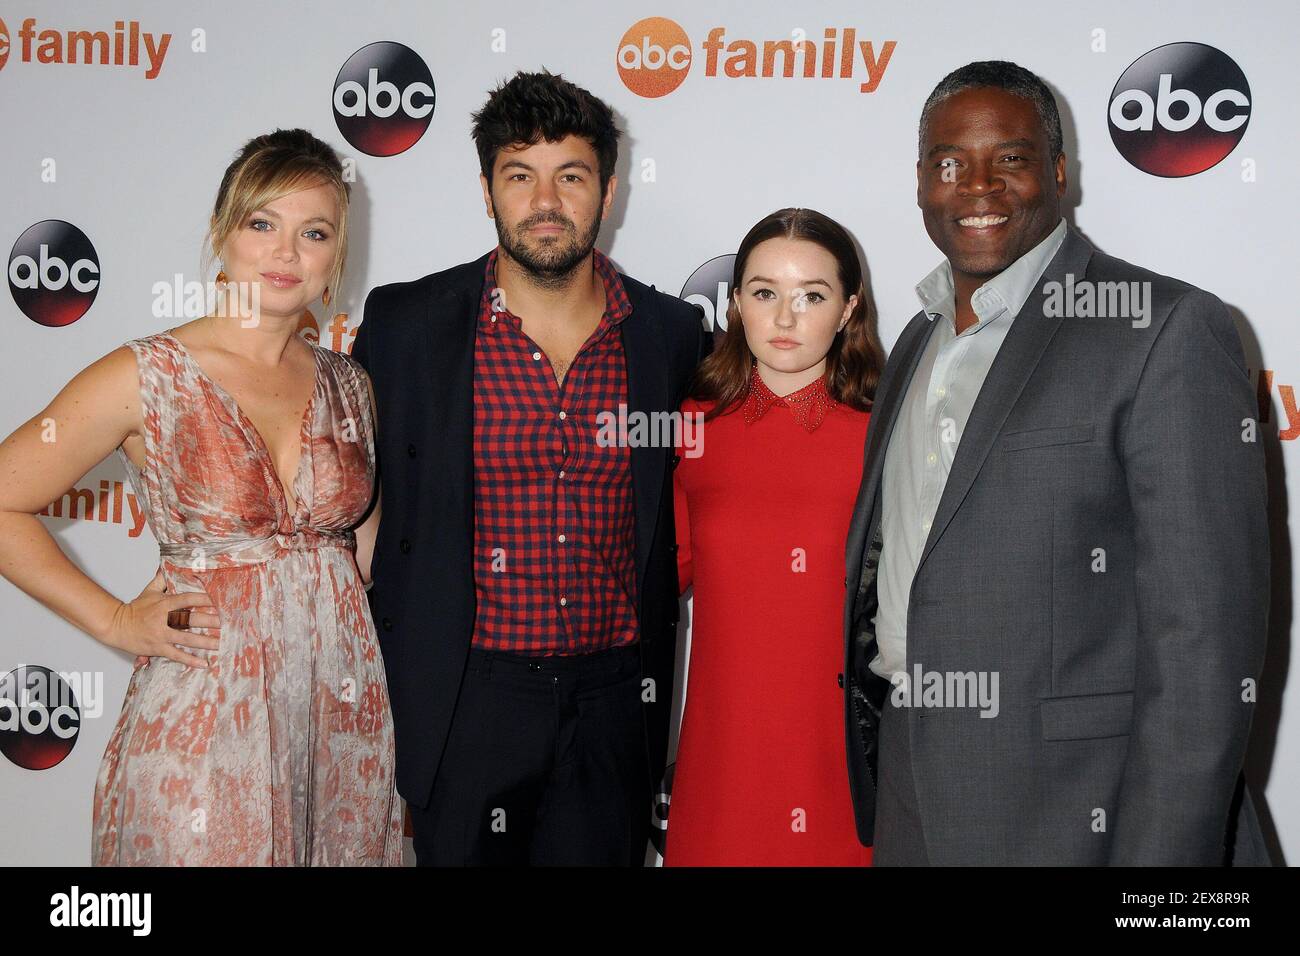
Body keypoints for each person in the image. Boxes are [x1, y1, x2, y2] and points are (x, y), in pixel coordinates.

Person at [842, 61, 1271, 865]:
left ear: (1060, 172)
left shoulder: (1162, 329)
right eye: (948, 163)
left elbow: (1204, 651)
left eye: (1009, 158)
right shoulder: (912, 343)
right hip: (908, 786)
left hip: (1076, 807)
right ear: (920, 183)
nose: (976, 187)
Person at [0, 128, 403, 865]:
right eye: (262, 224)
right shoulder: (146, 374)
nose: (286, 253)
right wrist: (117, 621)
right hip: (204, 719)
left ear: (335, 258)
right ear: (222, 233)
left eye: (313, 232)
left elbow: (364, 562)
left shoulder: (353, 387)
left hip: (341, 730)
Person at [349, 70, 708, 866]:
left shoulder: (670, 335)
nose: (546, 200)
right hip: (462, 699)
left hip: (617, 701)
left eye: (571, 176)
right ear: (487, 191)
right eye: (520, 175)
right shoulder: (406, 326)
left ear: (608, 192)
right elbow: (334, 476)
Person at [665, 208, 884, 866]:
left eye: (811, 296)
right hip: (721, 757)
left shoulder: (886, 436)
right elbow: (643, 584)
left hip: (846, 761)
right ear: (734, 304)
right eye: (764, 293)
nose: (785, 319)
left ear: (848, 309)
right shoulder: (688, 428)